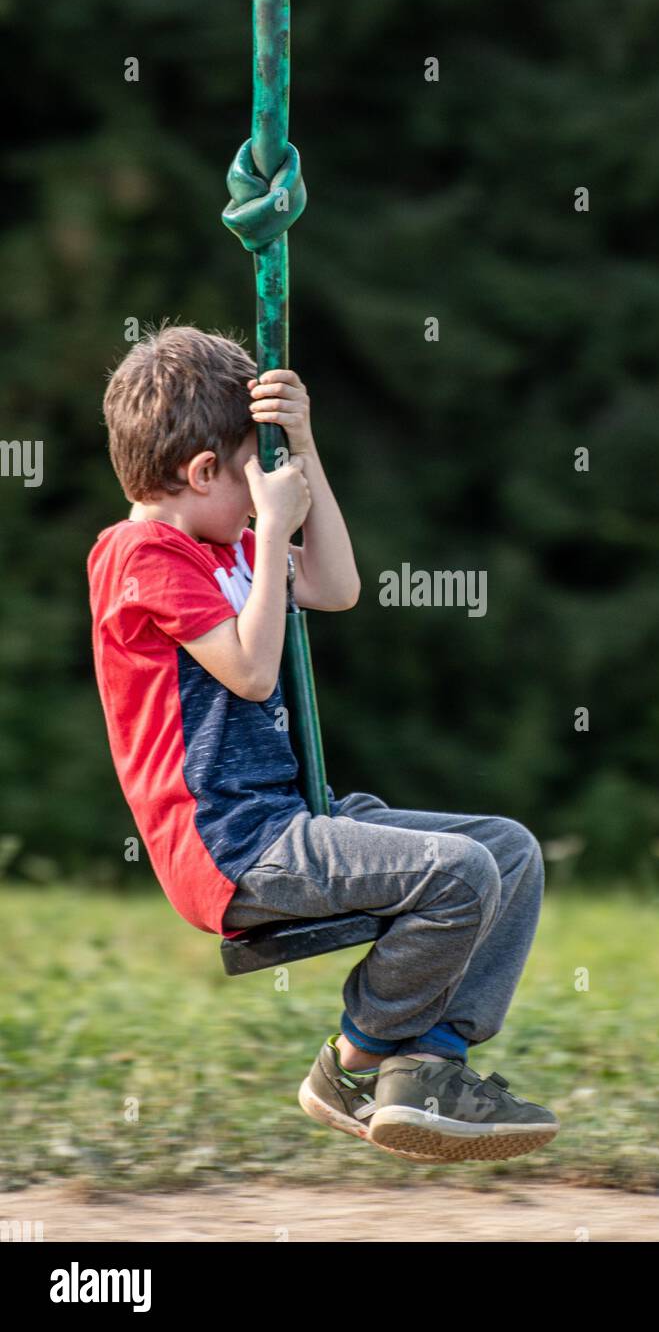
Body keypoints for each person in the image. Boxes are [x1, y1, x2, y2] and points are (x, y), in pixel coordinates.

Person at [87, 322, 558, 1163]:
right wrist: (272, 536)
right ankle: (355, 1062)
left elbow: (336, 586)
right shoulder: (140, 555)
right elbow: (250, 672)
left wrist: (302, 445)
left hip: (292, 816)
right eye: (255, 473)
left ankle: (428, 1064)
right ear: (203, 473)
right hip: (232, 843)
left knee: (508, 852)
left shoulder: (228, 546)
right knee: (459, 874)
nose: (265, 495)